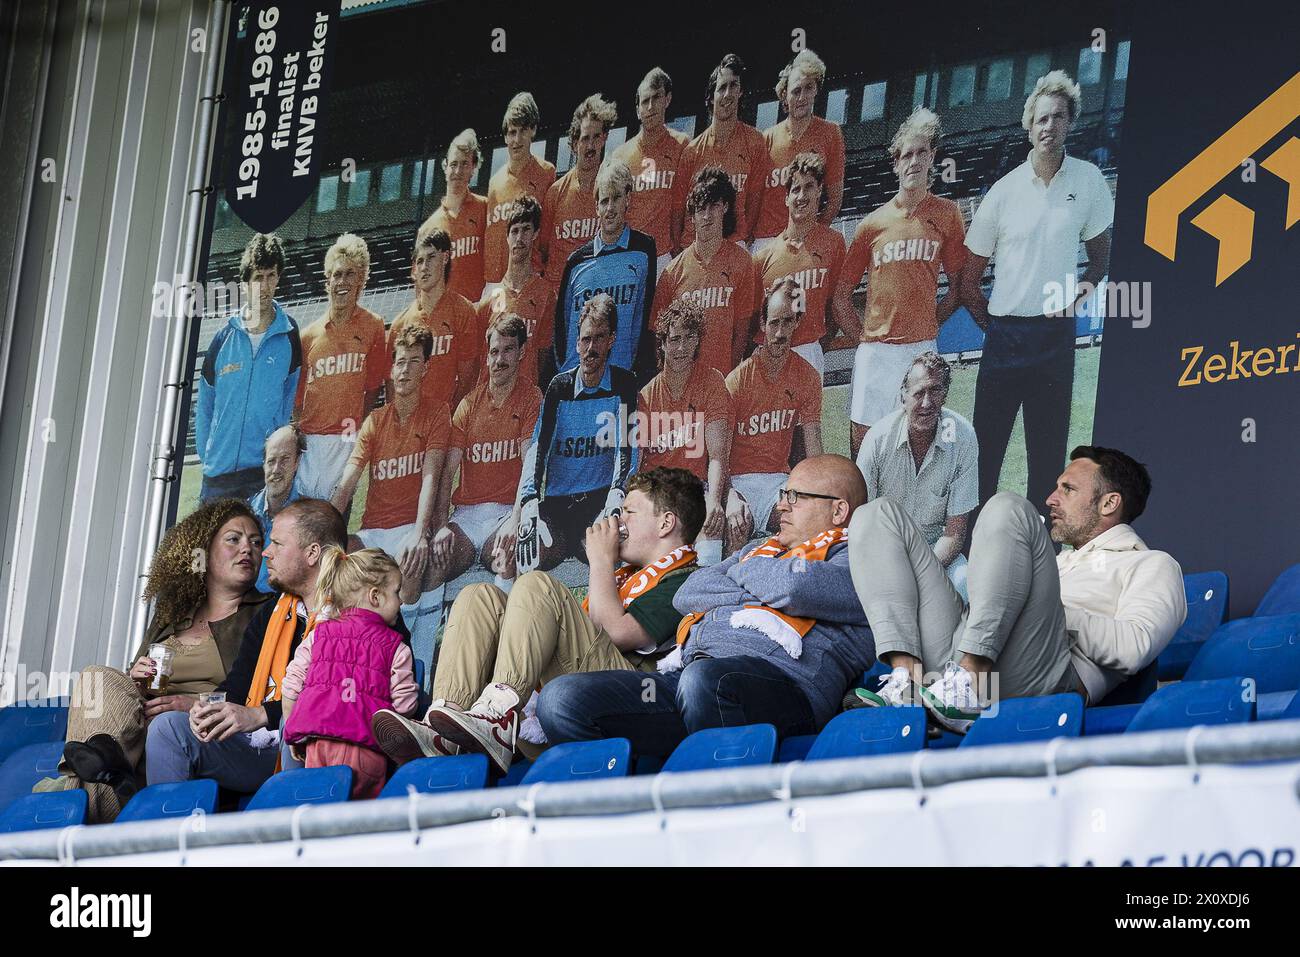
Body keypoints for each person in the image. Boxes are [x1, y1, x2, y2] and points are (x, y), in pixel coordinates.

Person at [372, 467, 703, 774]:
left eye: (630, 511)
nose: (618, 520)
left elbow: (616, 632)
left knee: (536, 585)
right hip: (562, 695)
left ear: (666, 523)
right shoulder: (623, 576)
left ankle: (499, 715)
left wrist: (600, 559)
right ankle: (444, 731)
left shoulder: (686, 577)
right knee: (478, 596)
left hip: (622, 697)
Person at [538, 454, 873, 756]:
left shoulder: (858, 559)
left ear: (838, 510)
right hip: (685, 684)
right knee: (561, 700)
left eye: (795, 497)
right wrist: (762, 588)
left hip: (783, 690)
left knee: (705, 682)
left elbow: (796, 586)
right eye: (784, 495)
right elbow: (690, 592)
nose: (782, 505)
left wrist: (743, 575)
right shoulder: (757, 551)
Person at [848, 446, 1185, 732]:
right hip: (957, 660)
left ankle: (972, 679)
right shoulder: (1060, 562)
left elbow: (1135, 647)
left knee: (1008, 507)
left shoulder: (1151, 564)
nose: (1051, 499)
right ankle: (907, 680)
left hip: (1045, 681)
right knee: (876, 515)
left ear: (1109, 504)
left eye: (1068, 489)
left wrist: (1039, 605)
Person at [40, 500, 269, 822]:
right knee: (96, 677)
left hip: (200, 731)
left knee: (110, 761)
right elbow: (135, 687)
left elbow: (264, 694)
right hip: (143, 724)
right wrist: (134, 677)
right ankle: (105, 766)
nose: (248, 548)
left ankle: (88, 788)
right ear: (202, 551)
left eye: (257, 542)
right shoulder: (171, 616)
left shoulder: (266, 612)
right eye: (234, 539)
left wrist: (192, 705)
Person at [145, 499, 378, 795]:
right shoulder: (272, 613)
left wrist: (260, 715)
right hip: (257, 749)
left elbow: (349, 698)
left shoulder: (359, 611)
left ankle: (291, 827)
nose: (265, 552)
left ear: (312, 553)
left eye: (277, 544)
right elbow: (237, 689)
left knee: (292, 723)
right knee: (169, 728)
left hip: (321, 748)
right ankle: (168, 836)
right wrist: (205, 709)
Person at [960, 71, 1113, 511]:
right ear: (1029, 125)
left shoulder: (1087, 181)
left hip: (1054, 338)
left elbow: (1100, 258)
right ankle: (971, 546)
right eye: (1041, 118)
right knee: (985, 450)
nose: (1049, 127)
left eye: (1058, 117)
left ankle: (1040, 549)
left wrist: (1073, 302)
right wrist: (997, 325)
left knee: (1047, 455)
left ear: (1070, 123)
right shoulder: (1003, 192)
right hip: (1005, 338)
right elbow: (969, 280)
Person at [839, 107, 967, 460]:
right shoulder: (872, 224)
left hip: (920, 350)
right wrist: (862, 338)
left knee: (919, 441)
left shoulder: (947, 214)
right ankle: (864, 511)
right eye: (906, 155)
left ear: (932, 158)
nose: (913, 161)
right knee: (863, 444)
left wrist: (929, 325)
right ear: (895, 164)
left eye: (921, 152)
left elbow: (958, 287)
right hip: (876, 351)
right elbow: (840, 295)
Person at [330, 325, 448, 660]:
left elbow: (431, 477)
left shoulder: (437, 412)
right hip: (374, 532)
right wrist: (324, 530)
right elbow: (348, 482)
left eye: (414, 361)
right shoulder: (374, 420)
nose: (405, 369)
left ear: (426, 368)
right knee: (342, 556)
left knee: (410, 566)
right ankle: (353, 656)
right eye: (399, 362)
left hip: (409, 527)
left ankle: (413, 662)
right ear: (391, 369)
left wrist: (419, 532)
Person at [282, 547, 420, 800]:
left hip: (317, 746)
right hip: (366, 752)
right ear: (375, 596)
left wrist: (293, 732)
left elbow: (291, 685)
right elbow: (405, 704)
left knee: (319, 809)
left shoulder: (317, 635)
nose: (401, 601)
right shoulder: (395, 646)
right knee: (356, 820)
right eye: (396, 592)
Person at [516, 294, 638, 573]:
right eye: (585, 339)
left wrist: (617, 494)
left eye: (599, 338)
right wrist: (528, 501)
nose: (591, 347)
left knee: (607, 554)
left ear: (611, 340)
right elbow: (539, 448)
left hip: (598, 504)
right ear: (576, 342)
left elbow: (627, 448)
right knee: (531, 552)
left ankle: (604, 617)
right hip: (559, 506)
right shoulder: (559, 388)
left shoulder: (624, 385)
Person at [428, 314, 542, 587]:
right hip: (467, 516)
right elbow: (447, 475)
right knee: (435, 562)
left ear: (522, 352)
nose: (499, 359)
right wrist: (442, 526)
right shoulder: (468, 405)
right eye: (494, 352)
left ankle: (504, 628)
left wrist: (516, 520)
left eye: (508, 350)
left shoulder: (531, 398)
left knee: (508, 557)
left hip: (506, 512)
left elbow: (530, 469)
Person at [855, 352, 977, 598]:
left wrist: (921, 573)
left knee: (964, 582)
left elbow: (955, 533)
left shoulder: (963, 437)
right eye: (919, 393)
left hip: (935, 552)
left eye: (935, 391)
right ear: (903, 396)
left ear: (945, 395)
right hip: (883, 552)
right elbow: (860, 525)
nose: (926, 403)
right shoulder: (877, 439)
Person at [196, 233, 301, 503]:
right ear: (244, 283)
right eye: (257, 277)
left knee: (255, 545)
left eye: (270, 276)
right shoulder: (223, 338)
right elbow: (205, 404)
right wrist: (209, 455)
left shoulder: (289, 336)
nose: (264, 287)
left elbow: (288, 401)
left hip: (261, 474)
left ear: (278, 278)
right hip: (217, 476)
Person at [724, 277, 823, 555]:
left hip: (777, 482)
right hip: (738, 484)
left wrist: (822, 495)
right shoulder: (737, 381)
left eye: (788, 322)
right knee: (732, 531)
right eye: (774, 323)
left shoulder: (807, 377)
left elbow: (814, 450)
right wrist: (729, 496)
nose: (780, 332)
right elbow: (718, 456)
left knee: (812, 521)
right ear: (762, 326)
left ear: (797, 322)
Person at [294, 233, 389, 500]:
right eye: (337, 275)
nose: (342, 282)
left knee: (336, 520)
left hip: (347, 438)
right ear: (328, 280)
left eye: (350, 274)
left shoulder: (373, 326)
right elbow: (298, 398)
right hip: (312, 442)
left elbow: (372, 388)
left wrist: (354, 430)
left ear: (361, 280)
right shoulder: (308, 335)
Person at [637, 300, 732, 564]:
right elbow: (637, 467)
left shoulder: (711, 382)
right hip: (658, 492)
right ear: (663, 344)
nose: (681, 348)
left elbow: (716, 456)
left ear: (698, 341)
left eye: (689, 338)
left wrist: (713, 499)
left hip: (696, 488)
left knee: (709, 530)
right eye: (674, 339)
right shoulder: (645, 397)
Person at [553, 159, 658, 384]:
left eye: (617, 198)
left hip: (622, 378)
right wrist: (567, 375)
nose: (610, 208)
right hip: (577, 381)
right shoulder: (576, 262)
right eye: (604, 201)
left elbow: (645, 317)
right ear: (596, 207)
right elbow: (561, 330)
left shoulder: (644, 251)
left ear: (628, 199)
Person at [752, 151, 853, 378]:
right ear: (786, 197)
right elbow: (753, 321)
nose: (801, 196)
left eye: (808, 187)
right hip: (769, 353)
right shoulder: (763, 256)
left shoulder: (833, 243)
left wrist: (817, 346)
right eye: (795, 189)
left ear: (819, 190)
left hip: (809, 349)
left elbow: (835, 305)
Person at [652, 166, 755, 375]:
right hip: (684, 384)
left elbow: (743, 333)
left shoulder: (742, 262)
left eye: (713, 206)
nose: (707, 216)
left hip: (723, 381)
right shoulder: (672, 272)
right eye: (700, 209)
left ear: (725, 207)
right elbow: (658, 337)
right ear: (692, 216)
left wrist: (729, 377)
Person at [674, 53, 770, 251]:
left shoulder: (755, 142)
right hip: (695, 246)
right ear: (710, 98)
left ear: (741, 91)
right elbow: (678, 210)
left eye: (733, 86)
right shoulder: (692, 152)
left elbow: (755, 201)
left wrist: (744, 235)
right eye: (722, 88)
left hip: (735, 244)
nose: (728, 94)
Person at [754, 49, 846, 250]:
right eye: (796, 91)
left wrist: (813, 234)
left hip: (806, 239)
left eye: (808, 88)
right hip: (767, 240)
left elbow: (835, 199)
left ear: (816, 90)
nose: (802, 97)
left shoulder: (831, 133)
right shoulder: (767, 138)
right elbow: (753, 199)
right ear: (784, 95)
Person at [389, 230, 480, 414]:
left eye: (431, 257)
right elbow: (392, 387)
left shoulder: (463, 311)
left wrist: (450, 418)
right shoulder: (400, 324)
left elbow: (468, 379)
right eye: (420, 261)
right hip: (411, 425)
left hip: (446, 420)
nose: (424, 267)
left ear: (445, 258)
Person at [613, 66, 691, 275]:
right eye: (644, 101)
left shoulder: (682, 145)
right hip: (629, 253)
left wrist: (678, 246)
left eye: (656, 98)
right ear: (637, 109)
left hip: (666, 255)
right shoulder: (620, 156)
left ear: (667, 99)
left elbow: (685, 201)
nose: (650, 106)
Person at [478, 195, 556, 390]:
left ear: (536, 233)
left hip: (526, 400)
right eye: (514, 231)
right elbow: (480, 360)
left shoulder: (546, 295)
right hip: (492, 401)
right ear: (507, 236)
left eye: (526, 230)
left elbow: (543, 355)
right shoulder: (489, 297)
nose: (519, 238)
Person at [540, 94, 616, 285]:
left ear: (605, 137)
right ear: (574, 144)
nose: (590, 146)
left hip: (597, 290)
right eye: (584, 139)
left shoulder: (611, 190)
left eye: (596, 137)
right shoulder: (556, 193)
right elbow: (543, 249)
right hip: (560, 291)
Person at [484, 93, 556, 286]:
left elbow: (548, 234)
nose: (516, 139)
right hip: (497, 285)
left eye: (523, 130)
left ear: (533, 130)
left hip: (530, 278)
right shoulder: (495, 183)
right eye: (512, 132)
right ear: (505, 136)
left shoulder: (546, 173)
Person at [418, 129, 488, 303]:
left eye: (464, 164)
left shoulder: (485, 209)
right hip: (446, 316)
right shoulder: (428, 228)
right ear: (445, 166)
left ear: (473, 168)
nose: (458, 171)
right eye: (454, 164)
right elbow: (421, 288)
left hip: (478, 310)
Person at [248, 424, 304, 592]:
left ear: (296, 463)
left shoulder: (307, 516)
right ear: (263, 464)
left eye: (285, 460)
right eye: (271, 461)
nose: (276, 469)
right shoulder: (244, 512)